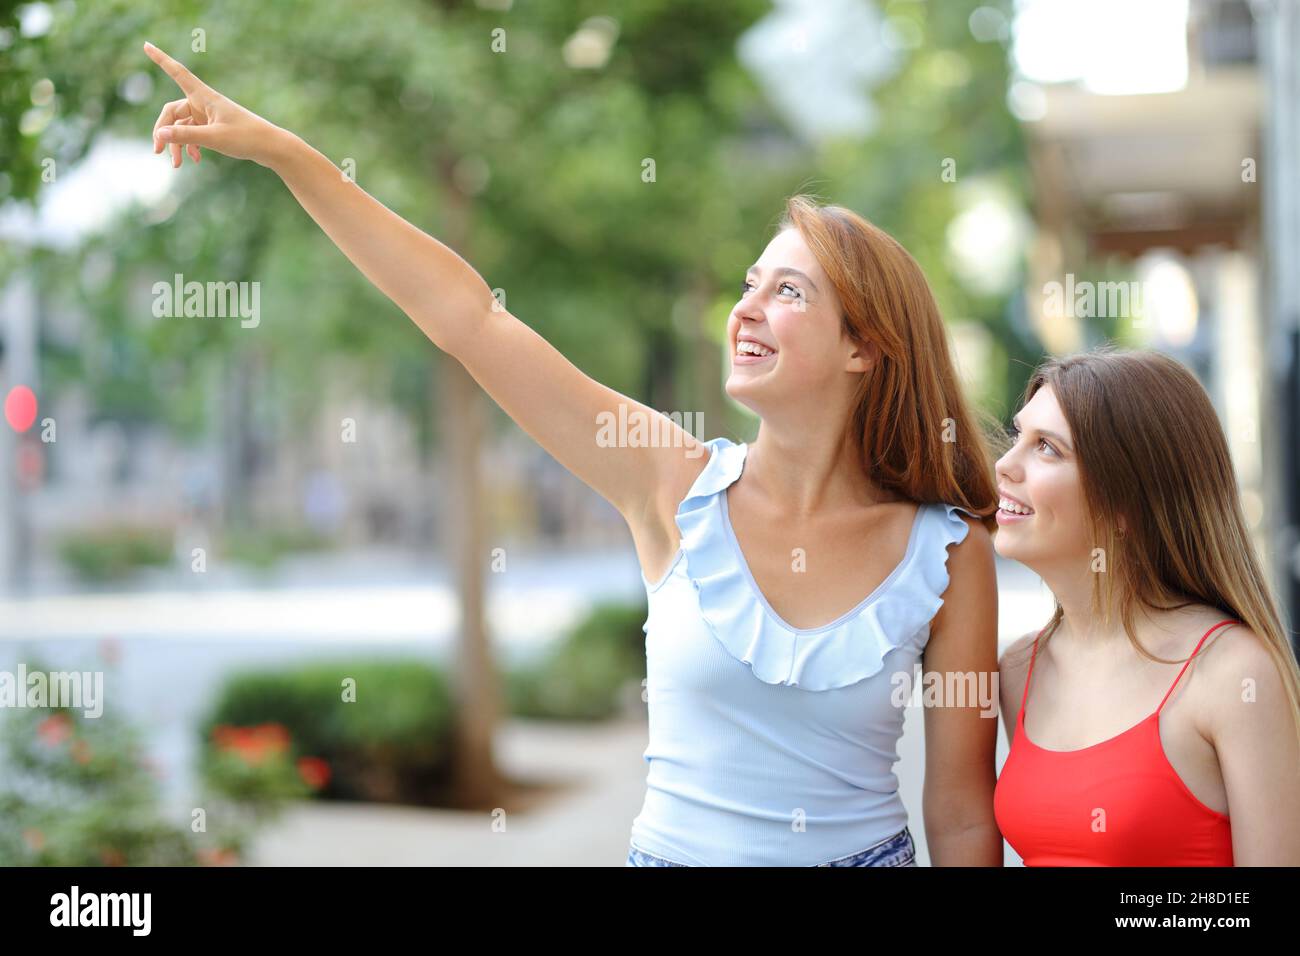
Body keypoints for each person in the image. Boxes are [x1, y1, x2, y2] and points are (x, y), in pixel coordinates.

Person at [142, 42, 1002, 866]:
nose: (746, 309)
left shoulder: (946, 553)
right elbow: (470, 319)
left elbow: (962, 816)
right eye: (747, 284)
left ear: (865, 349)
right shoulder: (670, 482)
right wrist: (290, 155)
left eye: (787, 291)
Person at [992, 347, 1300, 866]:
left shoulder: (1232, 674)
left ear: (1124, 504)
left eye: (1046, 448)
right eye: (1018, 436)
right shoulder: (1020, 669)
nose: (1004, 464)